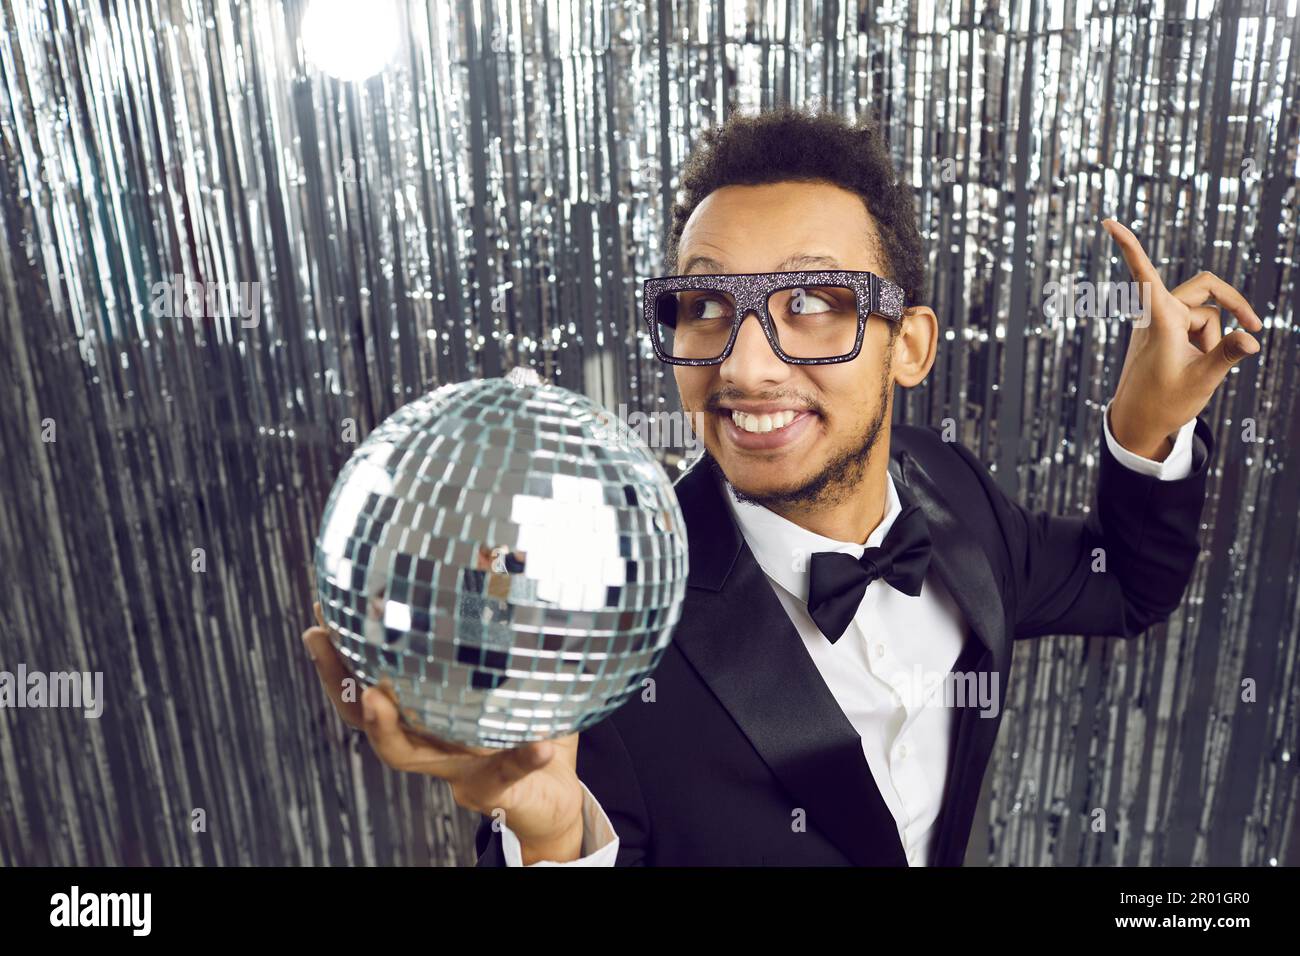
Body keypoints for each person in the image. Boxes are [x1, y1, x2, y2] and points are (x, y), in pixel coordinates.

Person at [301, 106, 1262, 866]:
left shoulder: (952, 494)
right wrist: (552, 835)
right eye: (707, 304)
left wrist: (1147, 424)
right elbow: (555, 821)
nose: (745, 366)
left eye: (811, 303)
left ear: (911, 347)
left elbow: (1128, 585)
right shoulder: (602, 629)